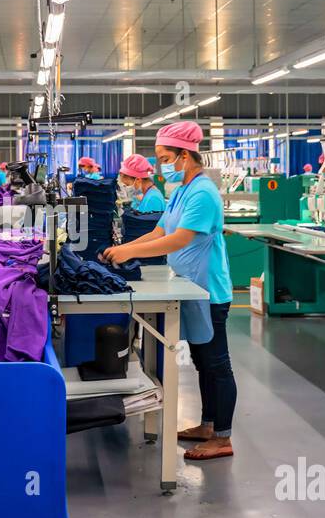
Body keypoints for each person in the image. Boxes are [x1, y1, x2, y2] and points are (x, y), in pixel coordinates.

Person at [101, 122, 236, 460]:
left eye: (165, 158)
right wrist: (126, 246)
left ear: (186, 156)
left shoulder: (204, 192)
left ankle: (223, 437)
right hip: (190, 285)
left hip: (210, 291)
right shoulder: (180, 191)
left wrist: (129, 253)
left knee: (217, 364)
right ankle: (208, 424)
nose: (162, 165)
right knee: (203, 362)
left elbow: (180, 239)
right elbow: (161, 229)